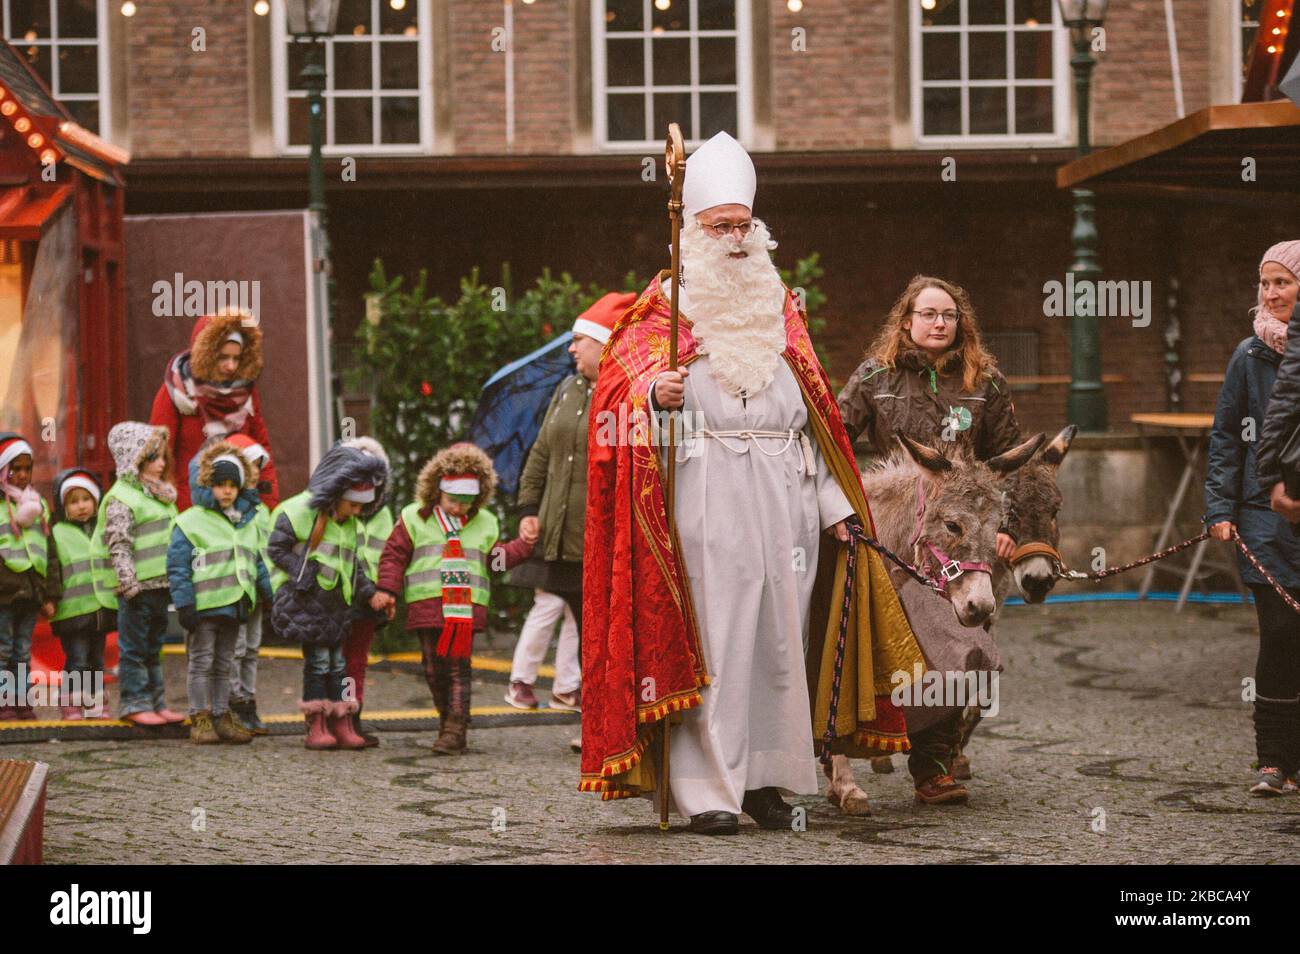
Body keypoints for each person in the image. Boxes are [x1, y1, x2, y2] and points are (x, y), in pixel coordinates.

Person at [580, 132, 923, 835]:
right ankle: (707, 790)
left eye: (744, 226)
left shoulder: (779, 308)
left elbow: (817, 421)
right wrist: (655, 396)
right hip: (704, 497)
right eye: (721, 228)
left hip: (785, 499)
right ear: (695, 233)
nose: (736, 240)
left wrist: (834, 505)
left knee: (778, 643)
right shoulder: (661, 314)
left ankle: (769, 779)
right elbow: (614, 401)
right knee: (718, 642)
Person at [836, 275, 1023, 802]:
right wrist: (843, 508)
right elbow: (834, 442)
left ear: (960, 322)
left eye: (948, 315)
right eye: (928, 314)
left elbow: (1013, 464)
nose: (938, 323)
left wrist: (1010, 531)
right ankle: (870, 740)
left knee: (958, 645)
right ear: (907, 321)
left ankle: (933, 768)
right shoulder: (875, 375)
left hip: (961, 542)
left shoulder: (985, 379)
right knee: (874, 645)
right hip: (886, 531)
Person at [509, 292, 635, 719]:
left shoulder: (626, 392)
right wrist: (529, 509)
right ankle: (593, 720)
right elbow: (541, 452)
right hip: (560, 539)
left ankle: (605, 721)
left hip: (601, 540)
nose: (571, 347)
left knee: (601, 634)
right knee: (582, 630)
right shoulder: (567, 388)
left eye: (580, 339)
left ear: (604, 344)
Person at [1210, 239, 1300, 796]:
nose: (1270, 292)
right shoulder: (1249, 356)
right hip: (1263, 515)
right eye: (1264, 282)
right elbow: (1226, 436)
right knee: (1281, 632)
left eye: (1282, 281)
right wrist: (1219, 507)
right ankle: (1272, 761)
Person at [377, 443, 535, 755]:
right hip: (428, 604)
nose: (457, 508)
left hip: (464, 611)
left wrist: (523, 546)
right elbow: (394, 556)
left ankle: (455, 728)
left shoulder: (485, 522)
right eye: (452, 500)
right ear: (437, 491)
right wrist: (386, 590)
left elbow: (495, 561)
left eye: (466, 502)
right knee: (433, 669)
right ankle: (447, 719)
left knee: (458, 669)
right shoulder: (413, 518)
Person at [266, 444, 391, 751]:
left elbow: (354, 566)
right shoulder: (298, 512)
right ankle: (316, 723)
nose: (359, 512)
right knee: (319, 664)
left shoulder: (349, 525)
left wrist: (370, 594)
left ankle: (340, 722)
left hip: (337, 607)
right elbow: (276, 549)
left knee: (338, 665)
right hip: (310, 604)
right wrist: (304, 574)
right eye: (354, 504)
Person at [168, 442, 271, 745]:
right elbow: (178, 567)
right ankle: (200, 716)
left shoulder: (245, 521)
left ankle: (221, 713)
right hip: (203, 608)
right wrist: (184, 604)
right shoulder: (190, 522)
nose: (227, 491)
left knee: (224, 664)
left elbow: (257, 562)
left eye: (232, 485)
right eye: (220, 485)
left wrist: (268, 595)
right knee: (201, 662)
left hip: (234, 606)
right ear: (207, 485)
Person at [150, 308, 280, 512]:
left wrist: (270, 508)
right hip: (190, 507)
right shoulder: (176, 392)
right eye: (223, 357)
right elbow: (159, 455)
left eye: (237, 358)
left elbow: (261, 450)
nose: (231, 366)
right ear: (206, 353)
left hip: (238, 505)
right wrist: (170, 509)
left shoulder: (245, 391)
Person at [100, 422, 186, 727]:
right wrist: (128, 583)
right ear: (134, 460)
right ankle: (134, 702)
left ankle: (156, 702)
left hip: (160, 586)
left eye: (163, 457)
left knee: (153, 648)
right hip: (136, 589)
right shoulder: (123, 498)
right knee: (134, 649)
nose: (162, 463)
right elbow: (118, 543)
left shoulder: (159, 496)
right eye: (154, 458)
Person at [48, 469, 115, 720]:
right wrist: (50, 599)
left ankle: (96, 702)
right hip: (71, 611)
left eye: (86, 499)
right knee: (77, 659)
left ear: (96, 501)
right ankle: (71, 702)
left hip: (100, 608)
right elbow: (52, 569)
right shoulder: (57, 533)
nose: (81, 506)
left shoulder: (103, 530)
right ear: (63, 506)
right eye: (73, 501)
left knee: (97, 660)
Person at [342, 435, 393, 747]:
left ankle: (351, 715)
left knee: (356, 661)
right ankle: (325, 717)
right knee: (333, 660)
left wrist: (386, 593)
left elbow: (389, 557)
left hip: (368, 601)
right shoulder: (336, 514)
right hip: (336, 598)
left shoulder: (383, 516)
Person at [221, 434, 274, 735]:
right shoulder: (232, 512)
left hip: (257, 589)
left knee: (252, 647)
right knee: (236, 648)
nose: (256, 472)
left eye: (258, 465)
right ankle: (233, 701)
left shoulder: (261, 511)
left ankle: (249, 699)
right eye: (250, 465)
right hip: (235, 589)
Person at [0, 433, 54, 721]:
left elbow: (45, 552)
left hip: (29, 593)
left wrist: (46, 594)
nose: (21, 475)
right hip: (4, 594)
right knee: (3, 649)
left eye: (26, 469)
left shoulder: (37, 505)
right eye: (14, 468)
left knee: (22, 650)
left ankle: (21, 701)